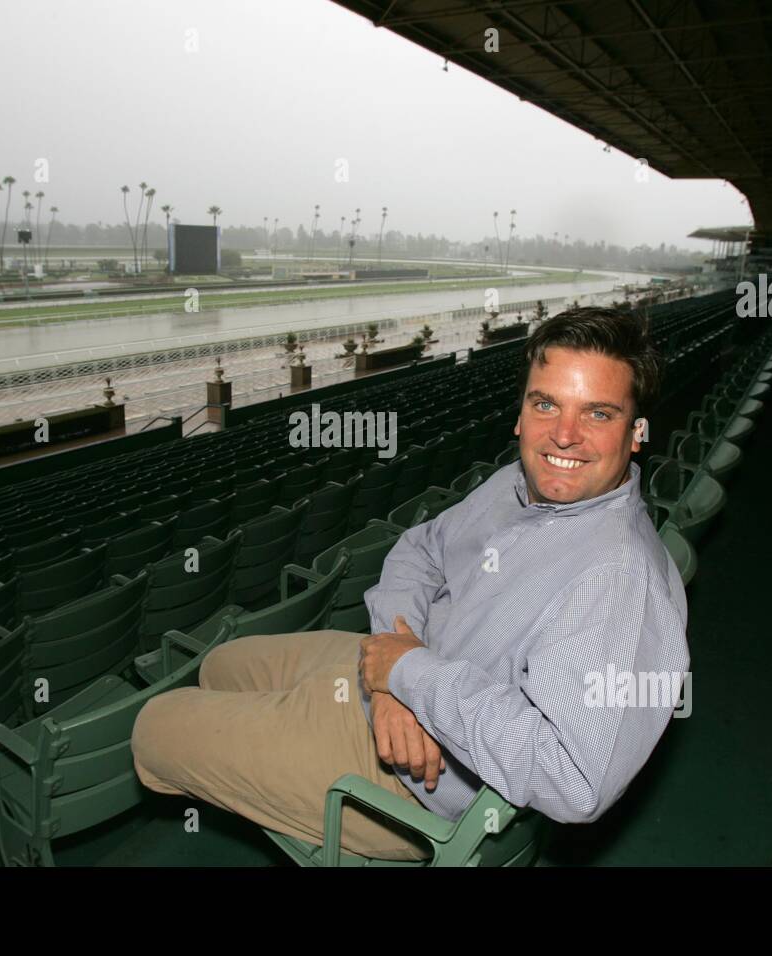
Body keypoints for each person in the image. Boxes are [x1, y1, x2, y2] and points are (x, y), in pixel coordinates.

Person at [132, 306, 689, 860]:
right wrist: (391, 683)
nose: (563, 436)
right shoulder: (515, 482)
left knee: (153, 726)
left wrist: (409, 678)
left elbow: (576, 781)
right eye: (546, 403)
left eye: (598, 414)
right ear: (520, 412)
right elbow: (419, 551)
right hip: (397, 664)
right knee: (219, 666)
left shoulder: (616, 583)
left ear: (637, 433)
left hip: (413, 777)